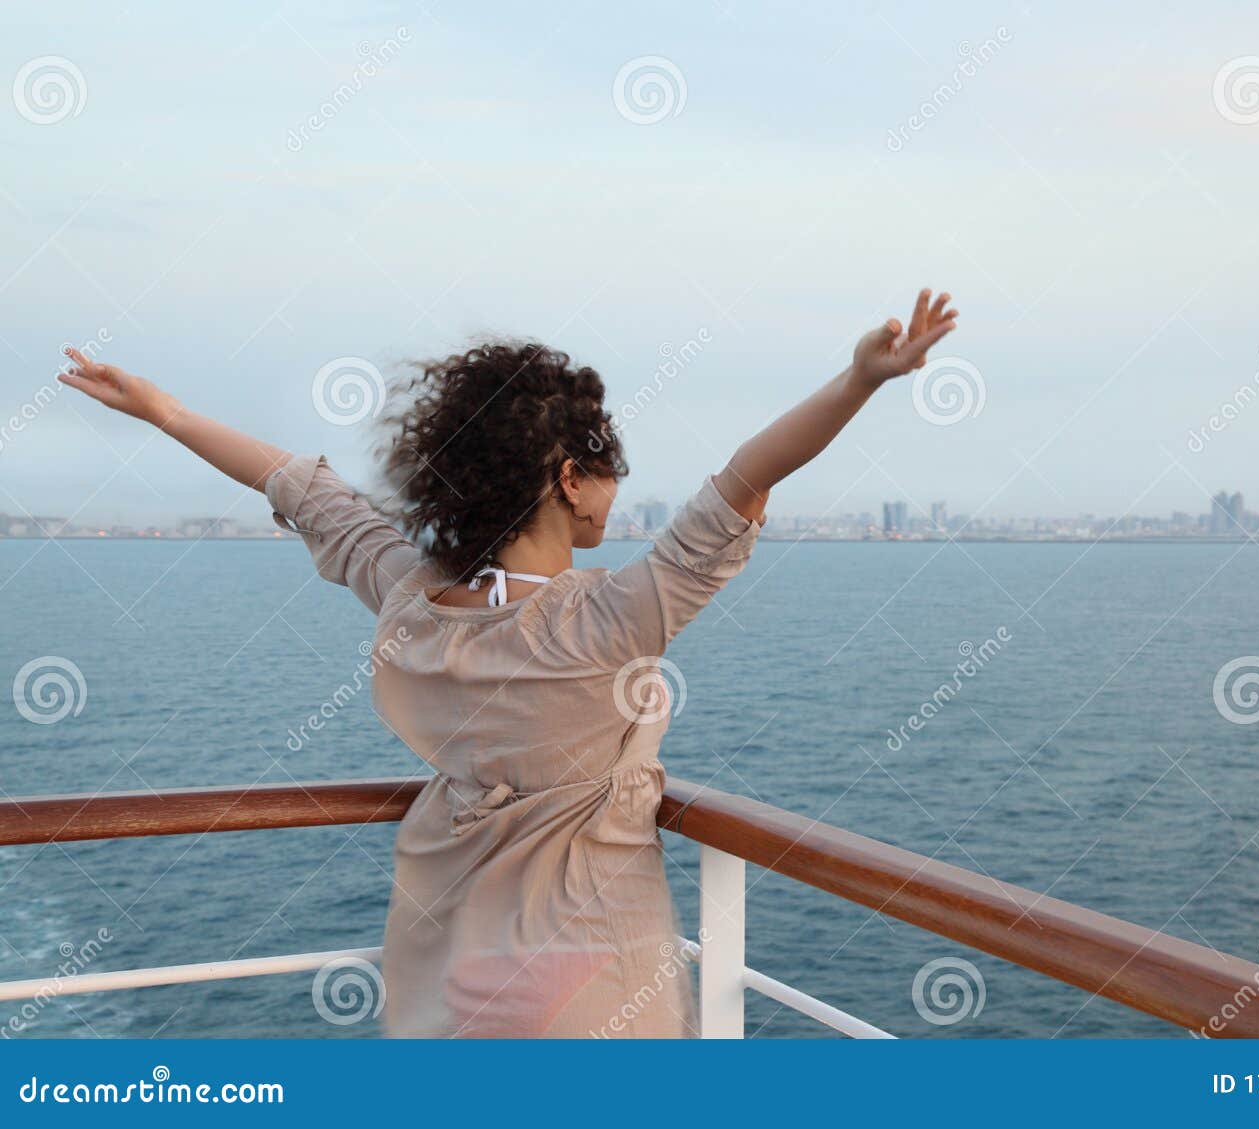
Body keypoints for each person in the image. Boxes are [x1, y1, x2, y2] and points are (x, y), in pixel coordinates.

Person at [58, 289, 958, 1036]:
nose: (616, 488)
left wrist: (165, 411)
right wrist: (858, 381)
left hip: (450, 958)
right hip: (590, 972)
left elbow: (296, 484)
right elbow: (746, 477)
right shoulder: (609, 620)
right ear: (571, 478)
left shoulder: (410, 595)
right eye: (608, 467)